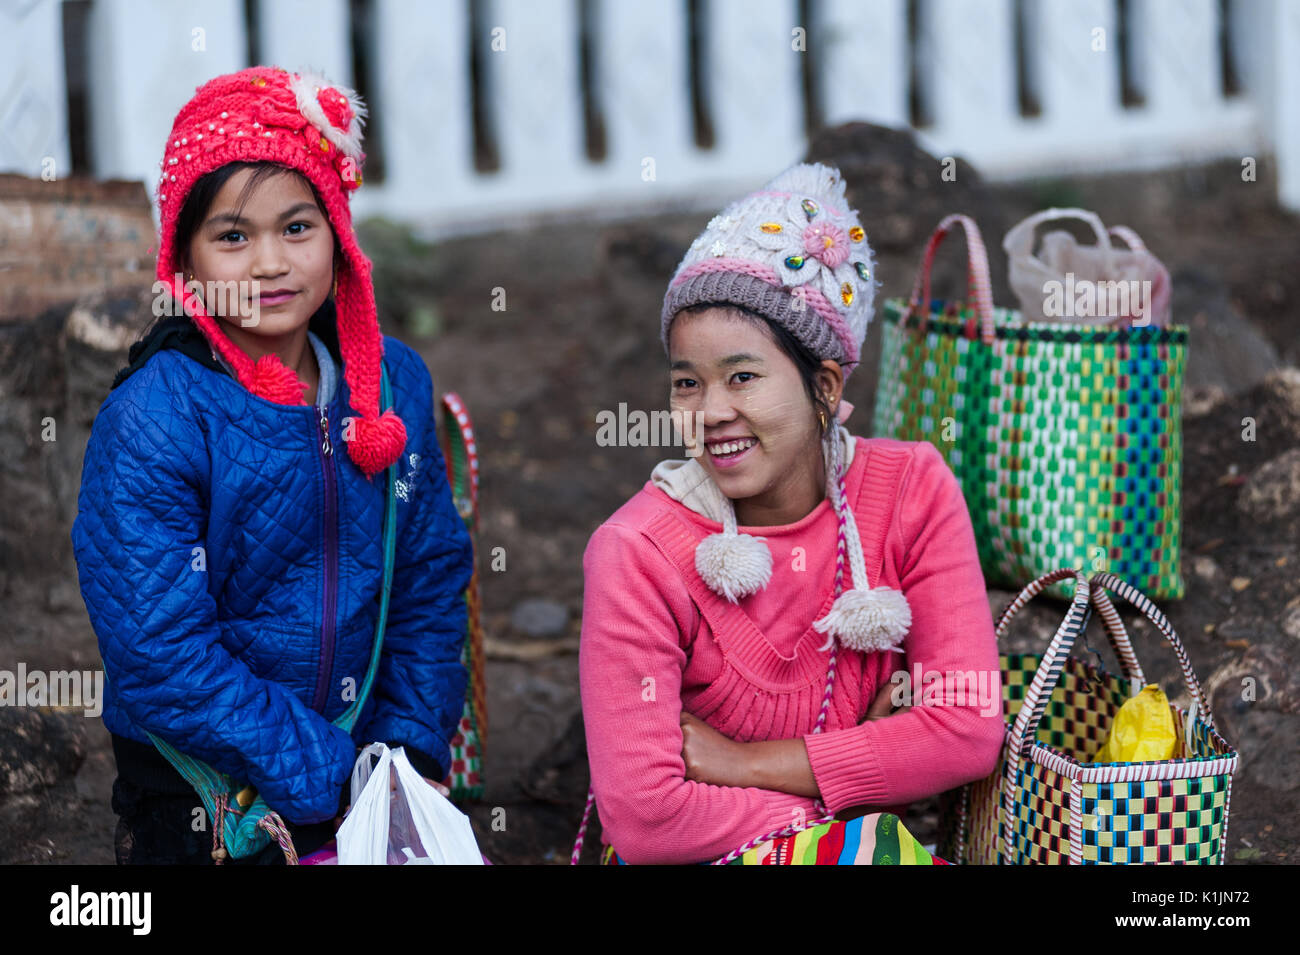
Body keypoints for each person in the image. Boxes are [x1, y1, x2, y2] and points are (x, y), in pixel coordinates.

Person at [70, 66, 473, 865]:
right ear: (183, 261)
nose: (268, 264)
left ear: (339, 237)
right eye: (232, 237)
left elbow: (428, 577)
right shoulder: (157, 419)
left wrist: (408, 751)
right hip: (202, 782)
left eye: (298, 227)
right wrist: (326, 772)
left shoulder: (391, 389)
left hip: (364, 760)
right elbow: (159, 654)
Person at [577, 162, 1005, 865]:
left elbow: (965, 726)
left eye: (742, 376)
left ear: (824, 384)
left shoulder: (913, 491)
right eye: (688, 384)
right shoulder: (637, 551)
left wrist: (744, 763)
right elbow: (650, 820)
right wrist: (860, 799)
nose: (711, 413)